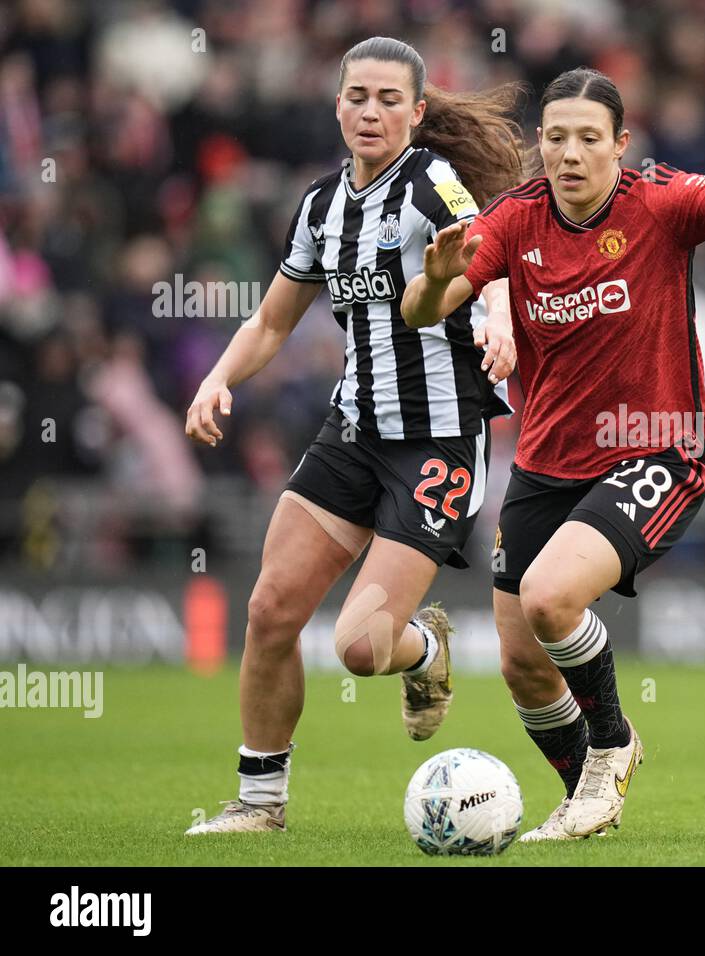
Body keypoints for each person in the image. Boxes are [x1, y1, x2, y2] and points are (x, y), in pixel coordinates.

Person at [403, 68, 705, 839]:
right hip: (546, 463)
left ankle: (615, 747)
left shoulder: (659, 202)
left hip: (657, 449)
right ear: (540, 146)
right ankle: (585, 798)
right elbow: (429, 305)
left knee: (552, 597)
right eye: (555, 138)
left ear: (619, 146)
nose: (570, 153)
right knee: (523, 662)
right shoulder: (515, 220)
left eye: (589, 138)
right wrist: (431, 286)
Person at [183, 36, 524, 834]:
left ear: (416, 111)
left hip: (438, 443)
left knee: (363, 647)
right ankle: (260, 804)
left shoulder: (433, 184)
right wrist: (217, 380)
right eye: (357, 97)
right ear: (338, 105)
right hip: (353, 433)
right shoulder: (319, 206)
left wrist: (501, 323)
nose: (371, 111)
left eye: (388, 99)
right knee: (269, 610)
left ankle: (427, 652)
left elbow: (495, 259)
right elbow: (274, 320)